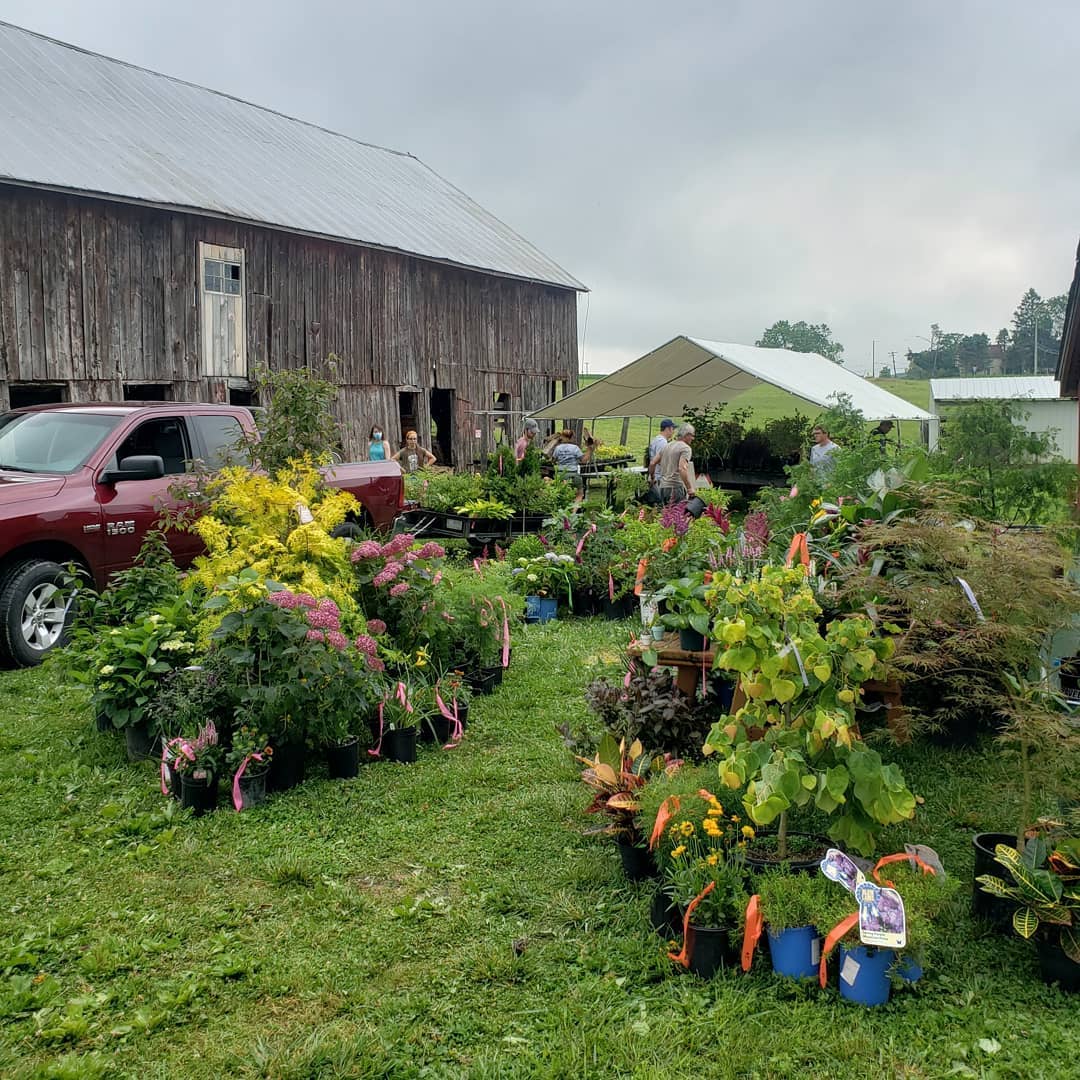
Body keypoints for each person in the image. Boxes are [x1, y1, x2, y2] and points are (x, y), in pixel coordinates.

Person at [549, 428, 592, 503]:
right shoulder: (575, 448)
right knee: (579, 494)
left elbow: (552, 460)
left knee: (561, 494)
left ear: (562, 437)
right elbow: (584, 460)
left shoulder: (558, 448)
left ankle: (563, 511)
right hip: (573, 474)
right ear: (572, 438)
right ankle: (573, 512)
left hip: (561, 474)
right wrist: (590, 449)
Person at [656, 423, 695, 503]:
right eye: (692, 435)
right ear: (686, 435)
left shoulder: (667, 446)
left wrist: (653, 477)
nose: (693, 438)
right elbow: (682, 468)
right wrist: (689, 488)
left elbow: (653, 463)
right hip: (675, 487)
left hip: (663, 487)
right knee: (677, 514)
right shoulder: (685, 448)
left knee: (666, 514)